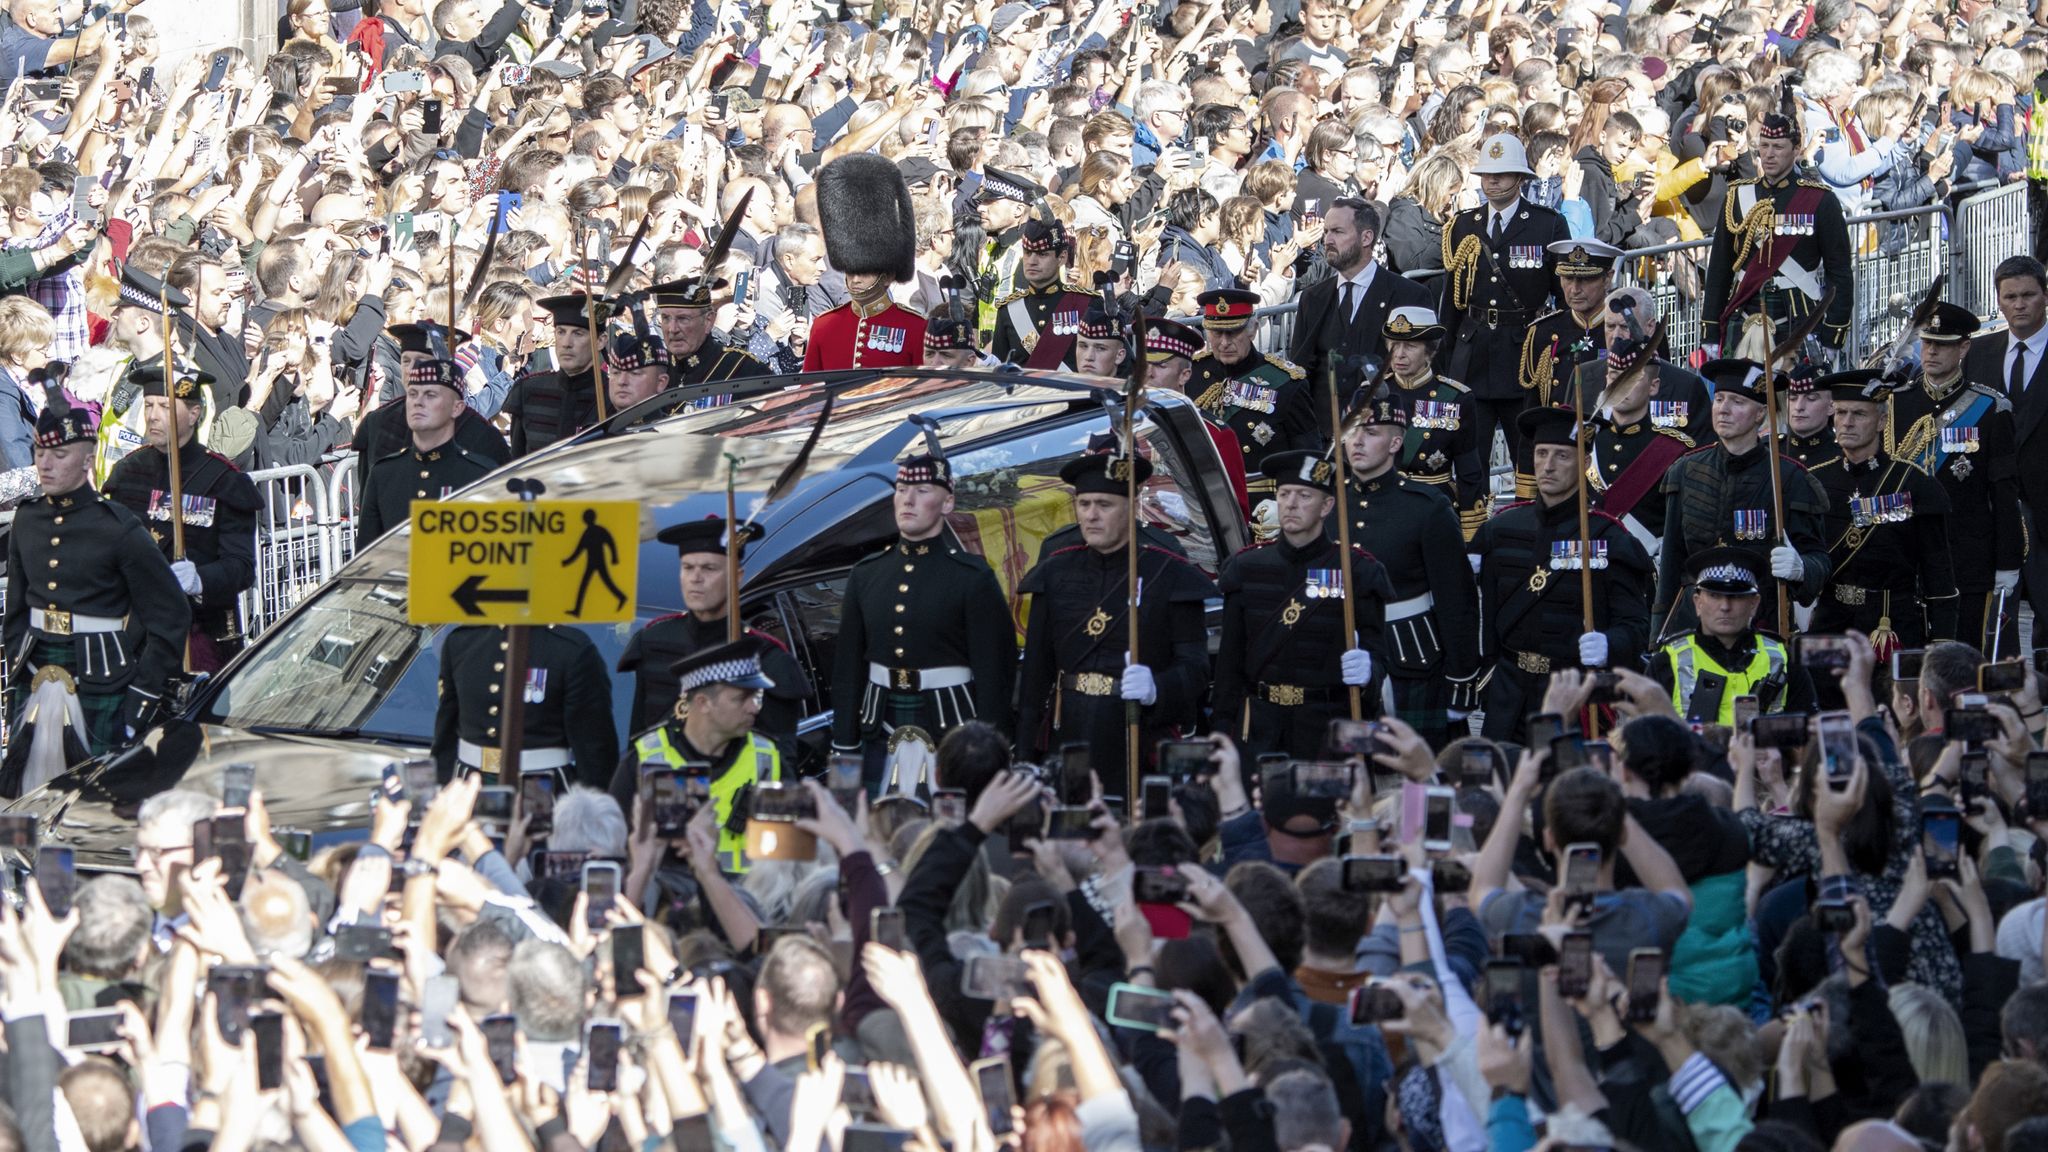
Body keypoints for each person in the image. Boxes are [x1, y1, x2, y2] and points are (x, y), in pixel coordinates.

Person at [1, 380, 187, 791]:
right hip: (33, 673)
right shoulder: (28, 520)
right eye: (39, 452)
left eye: (59, 454)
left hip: (102, 677)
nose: (44, 464)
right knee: (19, 799)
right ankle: (20, 858)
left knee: (93, 798)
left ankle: (78, 858)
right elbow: (15, 609)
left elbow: (171, 616)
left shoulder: (118, 527)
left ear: (87, 460)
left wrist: (141, 693)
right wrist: (17, 659)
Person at [1015, 451, 1216, 777]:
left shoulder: (1168, 572)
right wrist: (1024, 757)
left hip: (1138, 733)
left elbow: (1195, 669)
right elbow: (1036, 675)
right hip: (1070, 735)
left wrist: (1157, 687)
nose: (1091, 515)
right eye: (1084, 504)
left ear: (1131, 505)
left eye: (1104, 505)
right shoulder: (1055, 572)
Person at [829, 453, 1016, 790]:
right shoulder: (867, 573)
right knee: (877, 830)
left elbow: (994, 675)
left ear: (947, 504)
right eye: (901, 490)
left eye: (923, 491)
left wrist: (994, 749)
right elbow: (848, 671)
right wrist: (844, 743)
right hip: (879, 721)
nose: (908, 500)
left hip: (952, 722)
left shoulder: (972, 578)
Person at [1468, 406, 1652, 742]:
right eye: (1541, 454)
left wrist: (1609, 644)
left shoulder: (1609, 537)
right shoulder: (1501, 528)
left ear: (1584, 463)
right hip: (1507, 693)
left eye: (1562, 456)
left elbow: (1636, 628)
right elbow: (1487, 615)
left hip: (1573, 693)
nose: (1548, 466)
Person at [1212, 449, 1391, 759]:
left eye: (1304, 496)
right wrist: (1220, 737)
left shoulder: (1357, 571)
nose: (1291, 504)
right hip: (1260, 727)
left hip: (1329, 726)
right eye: (1284, 494)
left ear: (1327, 506)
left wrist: (1369, 672)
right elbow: (1229, 666)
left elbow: (1378, 652)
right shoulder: (1245, 568)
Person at [1330, 393, 1480, 744]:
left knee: (1413, 782)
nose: (1358, 441)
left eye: (1371, 433)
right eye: (1352, 432)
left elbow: (1457, 601)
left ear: (1396, 442)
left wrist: (1460, 681)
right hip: (1336, 656)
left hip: (1408, 658)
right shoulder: (1329, 503)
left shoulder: (1427, 508)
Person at [1654, 358, 1831, 639]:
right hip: (1694, 624)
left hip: (1762, 623)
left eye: (1737, 402)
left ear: (1761, 413)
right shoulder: (1685, 471)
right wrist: (1658, 633)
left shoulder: (1789, 478)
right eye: (1720, 399)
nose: (1723, 409)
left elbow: (1818, 560)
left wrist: (1801, 569)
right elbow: (1672, 564)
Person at [103, 361, 259, 675]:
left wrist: (200, 578)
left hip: (200, 634)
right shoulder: (128, 472)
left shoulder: (224, 480)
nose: (152, 415)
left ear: (193, 413)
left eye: (164, 406)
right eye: (148, 405)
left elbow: (241, 567)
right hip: (138, 634)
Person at [1891, 300, 2024, 653]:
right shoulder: (1893, 405)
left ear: (1964, 347)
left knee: (1966, 660)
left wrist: (2008, 563)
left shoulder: (1991, 408)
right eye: (1927, 342)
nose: (1932, 351)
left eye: (1944, 344)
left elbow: (2003, 493)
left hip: (1966, 559)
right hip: (1907, 555)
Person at [1436, 133, 1569, 464]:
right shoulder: (1463, 225)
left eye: (1502, 174)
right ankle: (1474, 517)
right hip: (1473, 354)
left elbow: (1563, 296)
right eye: (1486, 175)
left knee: (1528, 457)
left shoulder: (1547, 224)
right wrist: (1444, 362)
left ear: (1521, 178)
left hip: (1523, 354)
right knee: (1470, 458)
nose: (1492, 182)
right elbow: (1452, 302)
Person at [608, 636, 791, 874]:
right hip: (668, 904)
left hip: (745, 904)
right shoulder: (646, 759)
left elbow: (792, 854)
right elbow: (611, 850)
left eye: (756, 697)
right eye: (741, 698)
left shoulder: (767, 759)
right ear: (703, 703)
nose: (754, 708)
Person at [617, 516, 810, 739]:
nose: (695, 579)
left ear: (736, 577)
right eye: (688, 567)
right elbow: (638, 740)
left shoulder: (769, 659)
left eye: (709, 568)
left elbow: (779, 758)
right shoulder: (652, 641)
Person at [1805, 369, 1959, 649]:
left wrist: (1943, 639)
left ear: (1882, 421)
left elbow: (1938, 569)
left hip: (1889, 626)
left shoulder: (1913, 483)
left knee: (1889, 693)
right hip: (1829, 621)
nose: (1847, 423)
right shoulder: (1814, 480)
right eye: (1841, 413)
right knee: (1824, 691)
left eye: (1859, 414)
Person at [1699, 101, 1854, 361]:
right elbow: (1720, 267)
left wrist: (1833, 332)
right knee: (1741, 396)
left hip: (1799, 312)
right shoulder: (1738, 195)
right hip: (1746, 306)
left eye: (1778, 147)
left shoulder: (1820, 199)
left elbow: (1839, 270)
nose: (1769, 154)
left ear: (1796, 150)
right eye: (1764, 146)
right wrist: (1711, 329)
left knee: (1797, 398)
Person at [1286, 196, 1430, 423]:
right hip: (1324, 437)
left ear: (1366, 237)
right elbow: (1300, 370)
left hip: (1383, 432)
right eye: (1326, 231)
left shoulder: (1408, 295)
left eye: (1337, 232)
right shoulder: (1313, 298)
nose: (1328, 240)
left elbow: (1420, 374)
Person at [430, 623, 619, 786]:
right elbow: (446, 737)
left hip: (543, 790)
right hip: (468, 786)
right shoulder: (462, 642)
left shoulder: (569, 650)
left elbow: (595, 753)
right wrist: (439, 790)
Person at [349, 321, 508, 508]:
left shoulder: (477, 430)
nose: (412, 370)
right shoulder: (377, 423)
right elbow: (370, 502)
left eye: (422, 362)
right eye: (406, 361)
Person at [1647, 545, 1814, 723]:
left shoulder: (1784, 661)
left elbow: (1808, 742)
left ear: (1754, 604)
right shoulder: (1666, 663)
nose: (1725, 606)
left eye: (1736, 596)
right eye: (1714, 595)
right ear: (1697, 602)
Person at [1187, 287, 1317, 511]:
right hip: (1207, 501)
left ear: (1253, 329)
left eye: (1234, 332)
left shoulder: (1286, 382)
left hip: (1263, 504)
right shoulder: (1192, 374)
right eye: (1217, 333)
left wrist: (1293, 506)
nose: (1225, 342)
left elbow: (1308, 456)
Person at [803, 154, 927, 372]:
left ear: (887, 276)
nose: (856, 279)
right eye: (851, 271)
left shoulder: (915, 327)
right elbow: (810, 389)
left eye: (865, 272)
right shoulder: (824, 325)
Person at [353, 356, 496, 542]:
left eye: (431, 396)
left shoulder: (479, 473)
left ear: (457, 408)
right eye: (413, 395)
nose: (419, 405)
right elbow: (367, 549)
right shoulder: (383, 474)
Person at [1377, 306, 1486, 538]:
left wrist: (1472, 533)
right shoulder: (1373, 394)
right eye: (1394, 345)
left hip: (1434, 504)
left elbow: (1469, 471)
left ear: (1430, 352)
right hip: (1384, 504)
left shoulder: (1456, 397)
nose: (1399, 354)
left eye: (1410, 346)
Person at [1584, 329, 1693, 561]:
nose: (1621, 385)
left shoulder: (1673, 450)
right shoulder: (1586, 439)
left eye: (1632, 378)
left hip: (1644, 564)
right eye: (1614, 376)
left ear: (1654, 386)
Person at [1520, 238, 1622, 414]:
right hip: (1560, 435)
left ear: (1608, 279)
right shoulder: (1543, 332)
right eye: (1567, 278)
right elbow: (1534, 409)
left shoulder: (1630, 331)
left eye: (1586, 279)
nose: (1574, 289)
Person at [502, 294, 604, 457]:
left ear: (600, 341)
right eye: (561, 332)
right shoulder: (528, 390)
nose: (566, 343)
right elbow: (517, 460)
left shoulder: (611, 394)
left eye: (578, 333)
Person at [990, 215, 1097, 369]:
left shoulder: (1086, 304)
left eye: (1042, 254)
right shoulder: (1009, 309)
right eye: (1028, 253)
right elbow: (1000, 368)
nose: (1032, 261)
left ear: (1061, 258)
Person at [647, 277, 770, 388]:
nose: (672, 329)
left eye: (683, 319)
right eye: (666, 318)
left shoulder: (742, 369)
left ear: (708, 321)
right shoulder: (653, 370)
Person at [1782, 361, 1840, 469]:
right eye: (1792, 398)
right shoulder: (1770, 450)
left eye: (1811, 398)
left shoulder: (1844, 455)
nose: (1798, 407)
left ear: (1831, 406)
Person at [1073, 298, 1130, 378]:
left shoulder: (1130, 390)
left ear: (1119, 356)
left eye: (1100, 348)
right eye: (1083, 346)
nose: (1089, 357)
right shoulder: (1058, 389)